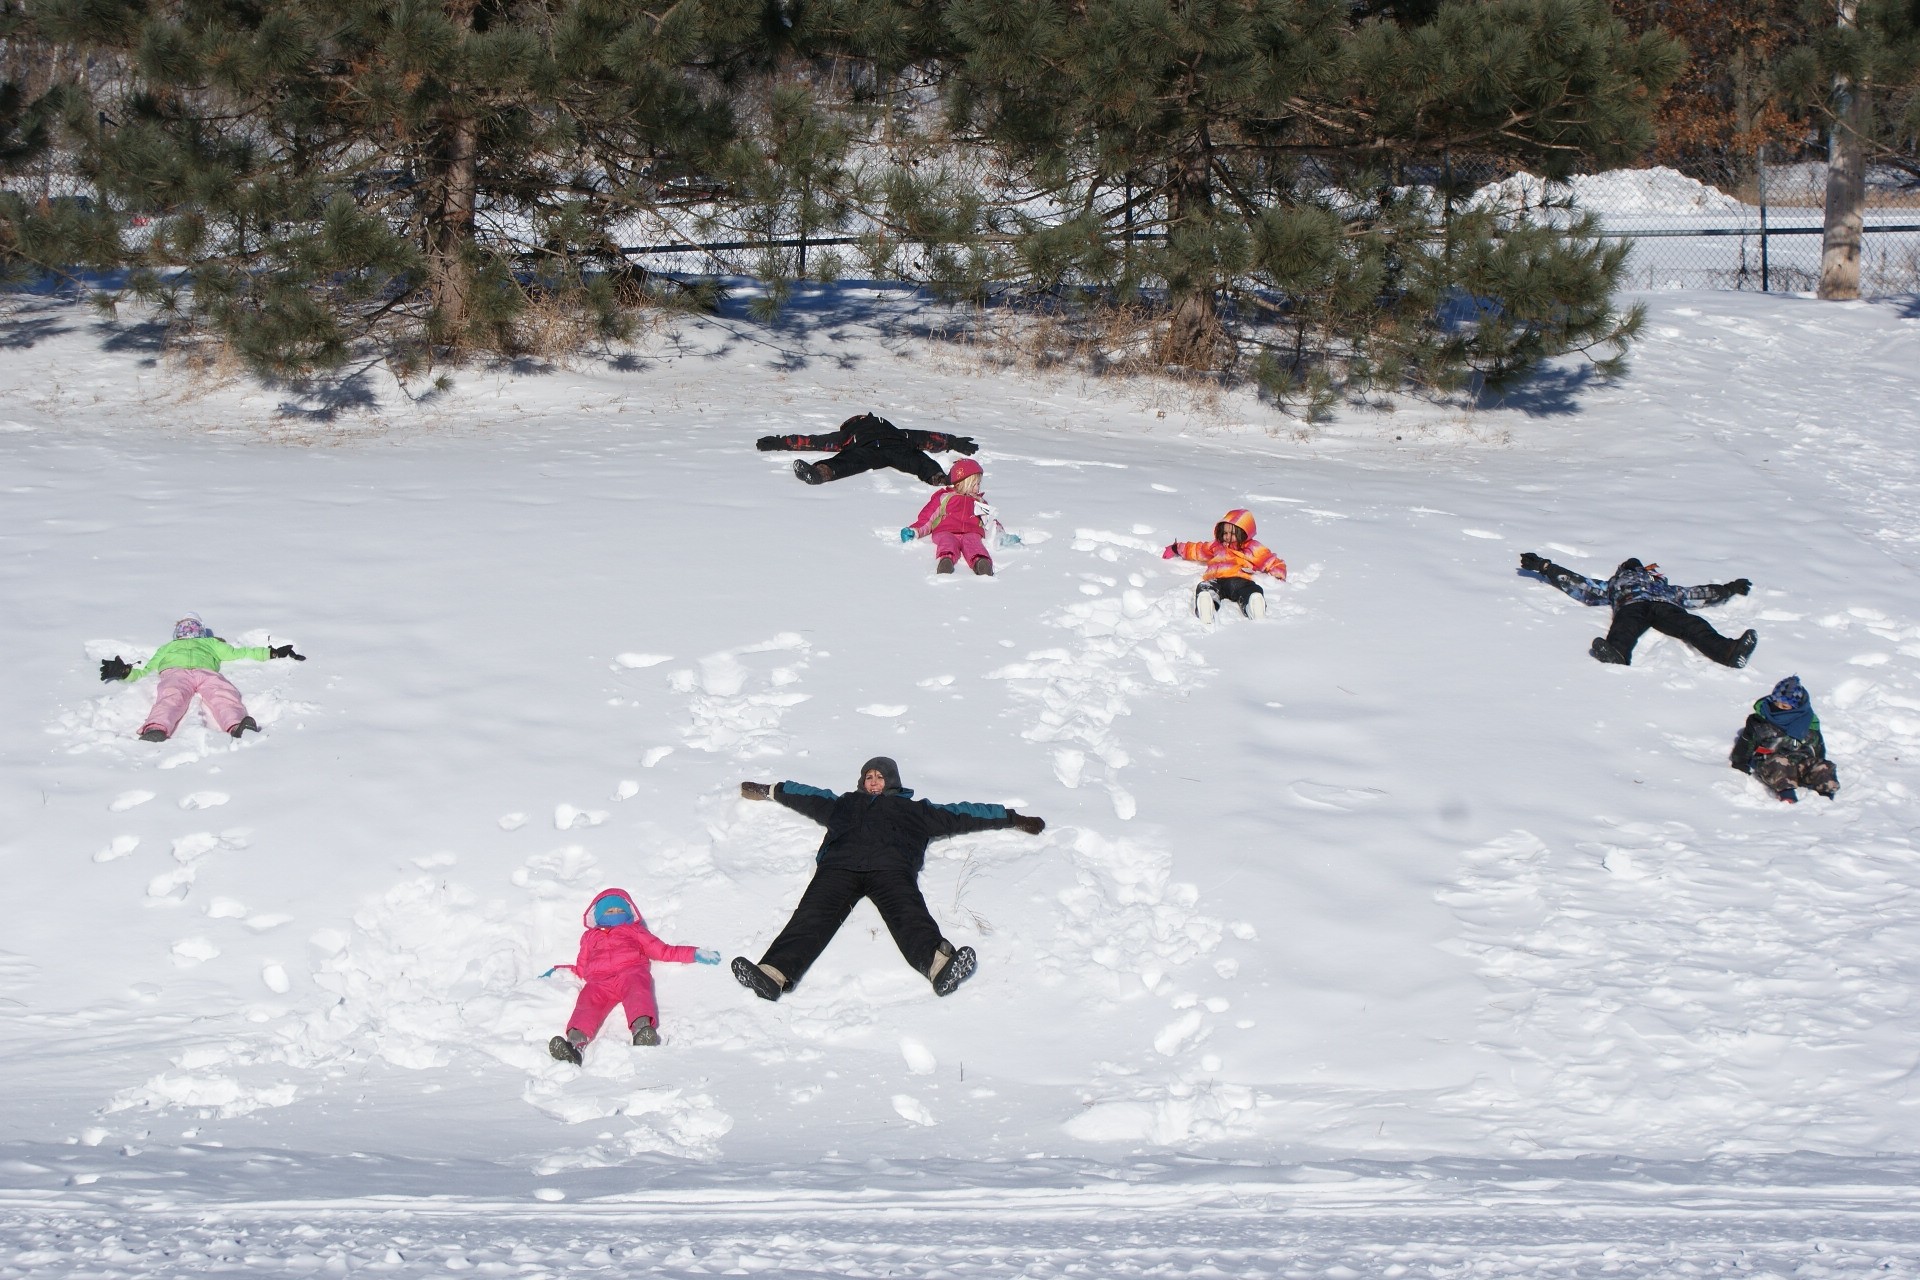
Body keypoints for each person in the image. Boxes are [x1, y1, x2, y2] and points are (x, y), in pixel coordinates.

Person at [732, 757, 1045, 1001]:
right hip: (840, 867)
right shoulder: (843, 803)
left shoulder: (914, 811)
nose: (873, 781)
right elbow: (806, 796)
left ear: (892, 781)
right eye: (868, 776)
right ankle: (772, 973)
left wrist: (1012, 818)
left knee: (908, 915)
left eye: (879, 776)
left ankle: (939, 967)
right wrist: (769, 790)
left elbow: (964, 813)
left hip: (890, 869)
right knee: (811, 917)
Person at [544, 888, 721, 1063]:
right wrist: (560, 971)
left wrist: (693, 953)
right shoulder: (590, 937)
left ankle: (642, 1031)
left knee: (638, 992)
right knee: (586, 1003)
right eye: (609, 910)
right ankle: (574, 1045)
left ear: (629, 912)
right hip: (599, 981)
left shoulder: (633, 931)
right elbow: (582, 968)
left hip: (630, 972)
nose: (615, 913)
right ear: (598, 915)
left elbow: (662, 951)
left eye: (620, 910)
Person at [1518, 553, 1756, 667]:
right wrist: (1545, 567)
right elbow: (1581, 585)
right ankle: (1616, 654)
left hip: (1664, 606)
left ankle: (1729, 651)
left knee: (1694, 626)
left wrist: (1728, 589)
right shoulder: (1615, 584)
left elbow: (1697, 593)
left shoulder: (1662, 586)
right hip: (1633, 605)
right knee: (1625, 627)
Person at [99, 614, 305, 741]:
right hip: (175, 673)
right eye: (183, 628)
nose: (187, 631)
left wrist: (271, 653)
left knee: (222, 693)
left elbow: (240, 653)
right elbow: (146, 671)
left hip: (206, 673)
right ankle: (156, 728)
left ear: (200, 631)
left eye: (192, 627)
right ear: (177, 633)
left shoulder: (210, 644)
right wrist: (125, 673)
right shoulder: (168, 648)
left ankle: (237, 725)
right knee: (171, 697)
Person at [757, 412, 979, 486]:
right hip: (890, 448)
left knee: (846, 461)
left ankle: (821, 472)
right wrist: (953, 441)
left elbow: (814, 441)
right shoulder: (896, 431)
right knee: (919, 459)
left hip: (871, 450)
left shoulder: (849, 434)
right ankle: (938, 477)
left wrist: (781, 442)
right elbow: (928, 438)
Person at [1162, 508, 1287, 623]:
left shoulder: (1251, 547)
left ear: (1244, 533)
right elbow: (1197, 550)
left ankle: (1253, 604)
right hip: (1216, 580)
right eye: (1225, 533)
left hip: (1238, 580)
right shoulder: (1216, 545)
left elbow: (1269, 560)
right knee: (1205, 587)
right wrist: (1176, 548)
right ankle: (1207, 605)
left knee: (1250, 589)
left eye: (1232, 533)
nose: (1227, 537)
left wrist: (1278, 572)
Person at [1729, 675, 1839, 804]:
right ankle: (1787, 795)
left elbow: (1818, 746)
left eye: (1785, 706)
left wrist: (1818, 763)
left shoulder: (1808, 722)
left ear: (1796, 707)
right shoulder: (1759, 721)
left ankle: (1825, 798)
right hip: (1771, 763)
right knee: (1780, 763)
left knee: (1823, 767)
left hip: (1800, 764)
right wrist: (1740, 762)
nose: (1779, 708)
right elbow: (1746, 743)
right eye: (1776, 703)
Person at [901, 457, 998, 575]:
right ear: (962, 483)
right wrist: (915, 530)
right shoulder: (944, 497)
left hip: (971, 531)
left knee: (973, 543)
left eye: (978, 484)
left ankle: (981, 563)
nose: (978, 488)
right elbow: (927, 517)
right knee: (947, 542)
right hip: (946, 530)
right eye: (974, 484)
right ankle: (946, 561)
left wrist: (1001, 535)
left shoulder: (979, 502)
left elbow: (991, 521)